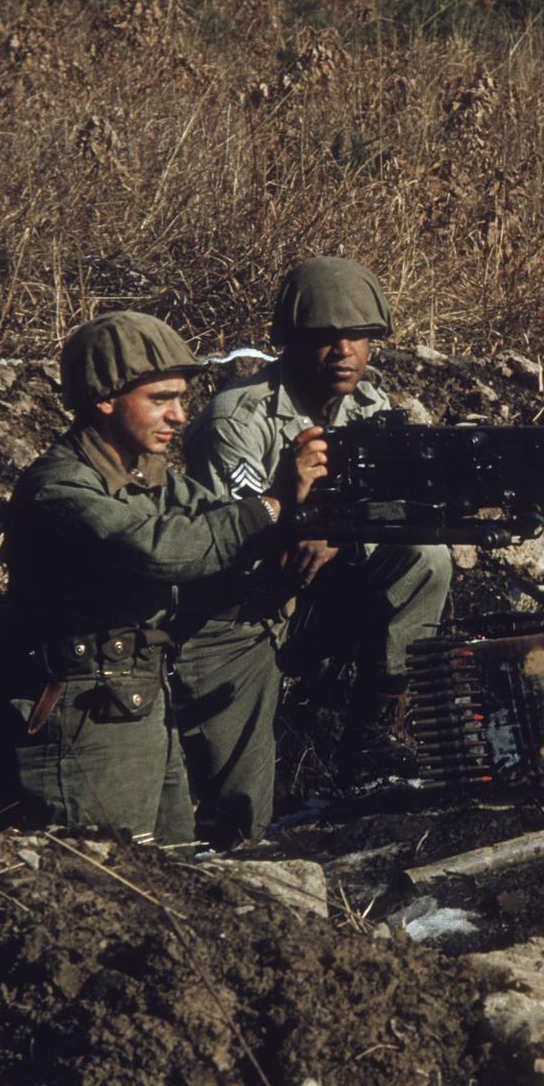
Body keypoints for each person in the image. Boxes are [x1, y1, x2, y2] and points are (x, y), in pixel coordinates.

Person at [4, 311, 323, 844]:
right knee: (107, 880)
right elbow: (165, 551)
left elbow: (223, 525)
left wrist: (310, 505)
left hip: (138, 700)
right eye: (160, 399)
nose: (179, 416)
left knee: (171, 870)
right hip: (84, 714)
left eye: (182, 399)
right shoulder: (59, 488)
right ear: (105, 399)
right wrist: (273, 506)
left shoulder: (151, 480)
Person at [184, 257, 452, 778]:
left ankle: (373, 728)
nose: (344, 352)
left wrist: (338, 532)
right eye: (326, 337)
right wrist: (298, 513)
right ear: (292, 341)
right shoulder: (237, 420)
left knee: (427, 557)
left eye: (358, 336)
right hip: (245, 612)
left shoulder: (369, 407)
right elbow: (220, 541)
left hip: (321, 598)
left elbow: (399, 507)